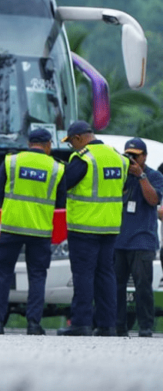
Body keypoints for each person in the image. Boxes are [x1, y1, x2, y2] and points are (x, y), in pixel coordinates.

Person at [0, 128, 63, 336]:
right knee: (37, 276)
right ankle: (34, 324)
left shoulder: (12, 161)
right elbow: (60, 198)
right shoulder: (56, 168)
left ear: (29, 143)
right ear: (47, 145)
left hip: (12, 226)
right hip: (40, 230)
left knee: (2, 274)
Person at [58, 121, 127, 336]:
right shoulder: (117, 157)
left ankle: (81, 323)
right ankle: (107, 325)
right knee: (106, 275)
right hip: (110, 228)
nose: (72, 148)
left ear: (78, 137)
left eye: (71, 143)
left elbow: (64, 184)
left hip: (84, 227)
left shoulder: (83, 158)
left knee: (83, 276)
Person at [113, 137, 161, 336]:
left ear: (145, 156)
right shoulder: (119, 175)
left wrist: (141, 176)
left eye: (135, 155)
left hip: (142, 240)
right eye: (128, 155)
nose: (131, 159)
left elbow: (153, 200)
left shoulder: (154, 176)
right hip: (118, 239)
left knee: (142, 286)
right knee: (116, 285)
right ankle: (118, 326)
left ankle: (145, 326)